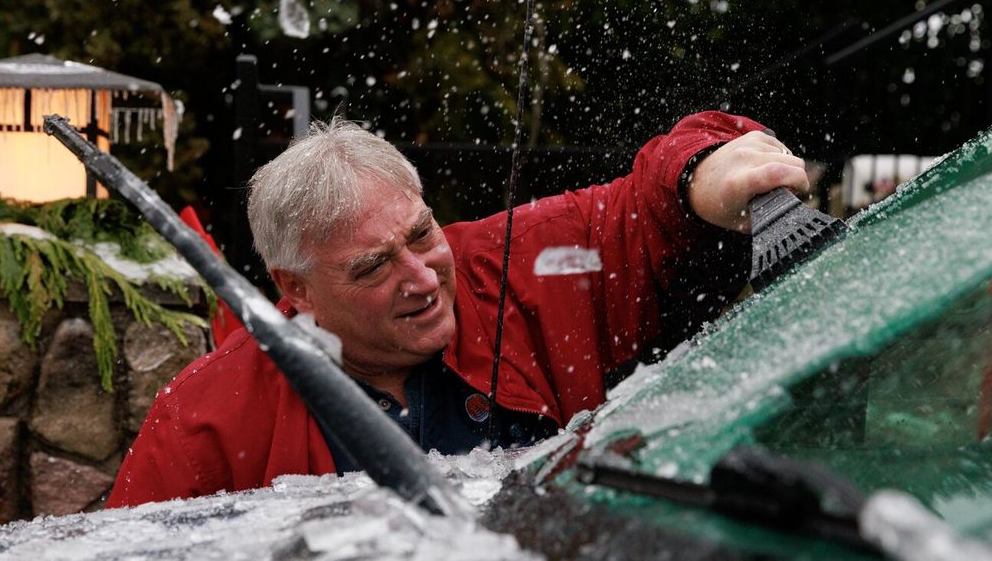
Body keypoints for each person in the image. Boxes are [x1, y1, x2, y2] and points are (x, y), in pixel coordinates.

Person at [106, 110, 808, 507]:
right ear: (296, 291)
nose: (421, 277)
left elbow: (641, 206)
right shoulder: (207, 418)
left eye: (420, 234)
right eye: (373, 267)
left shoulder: (523, 263)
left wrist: (704, 167)